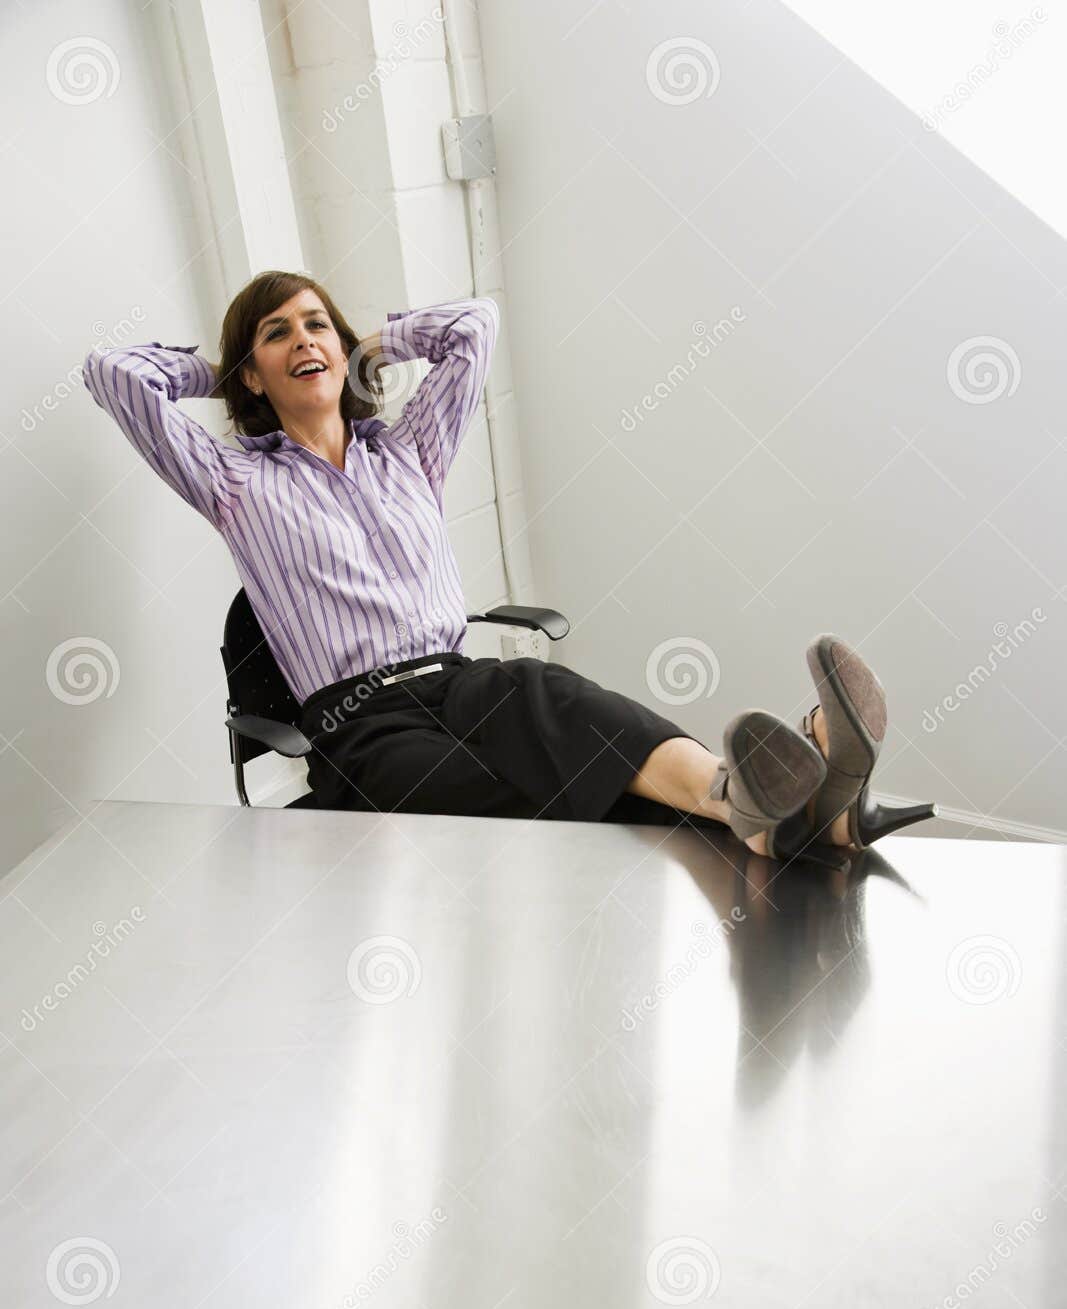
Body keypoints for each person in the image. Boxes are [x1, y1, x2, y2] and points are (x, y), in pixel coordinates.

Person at [81, 270, 935, 864]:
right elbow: (113, 374)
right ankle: (807, 823)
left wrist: (370, 341)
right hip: (363, 725)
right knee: (489, 794)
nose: (303, 340)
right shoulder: (234, 480)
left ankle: (745, 803)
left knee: (557, 699)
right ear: (254, 374)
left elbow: (473, 327)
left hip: (461, 681)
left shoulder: (406, 452)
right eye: (277, 334)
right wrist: (217, 368)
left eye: (315, 325)